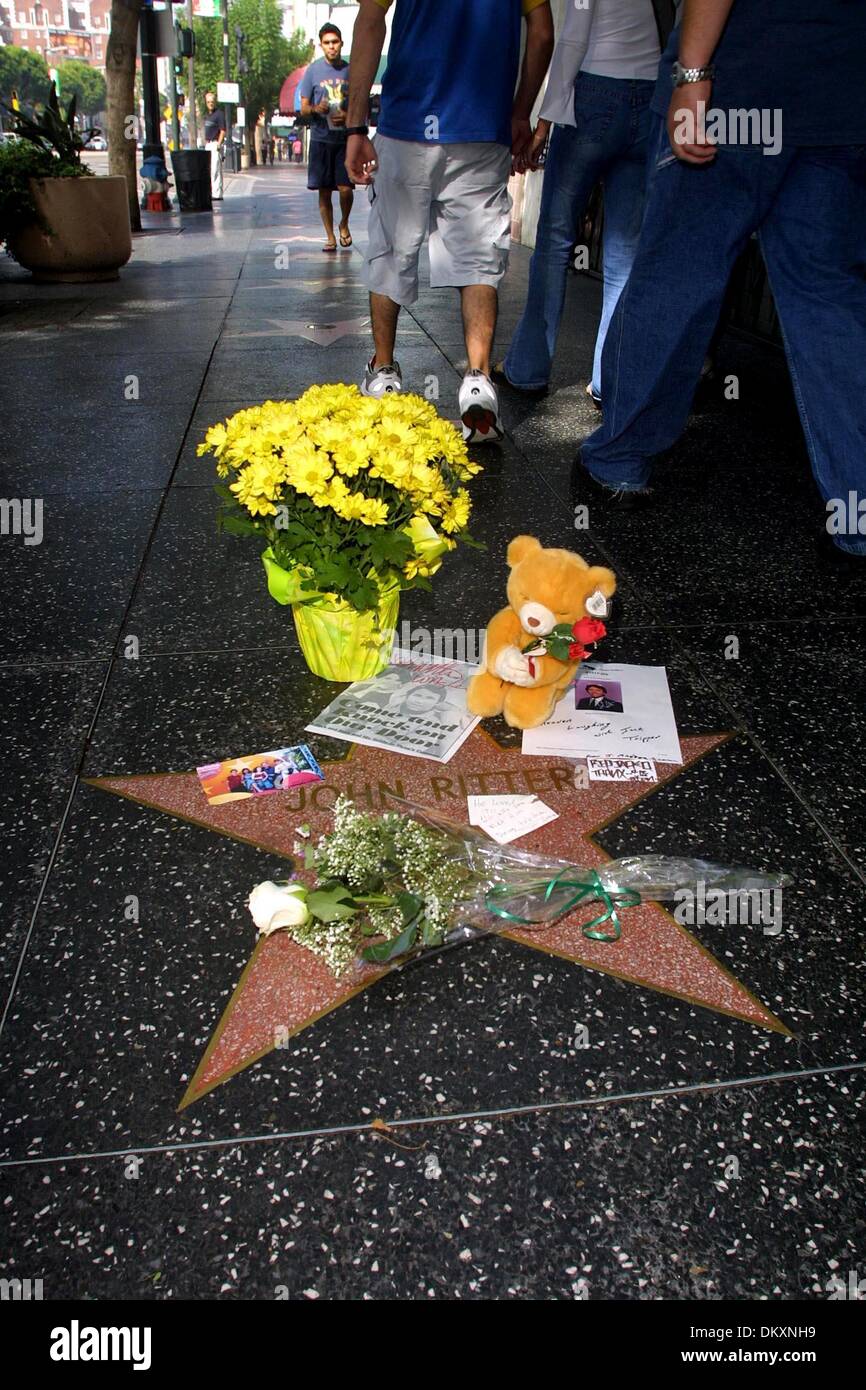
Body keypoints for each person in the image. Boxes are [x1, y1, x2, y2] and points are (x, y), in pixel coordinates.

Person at [575, 0, 866, 565]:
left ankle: (622, 455)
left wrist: (692, 73)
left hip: (740, 83)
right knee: (828, 296)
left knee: (677, 275)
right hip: (840, 92)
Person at [345, 0, 555, 442]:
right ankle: (478, 381)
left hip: (407, 123)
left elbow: (369, 21)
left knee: (391, 251)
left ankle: (383, 372)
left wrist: (355, 127)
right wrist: (521, 111)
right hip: (481, 127)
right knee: (478, 261)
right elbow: (541, 33)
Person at [499, 0, 676, 407]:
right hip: (650, 96)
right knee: (623, 256)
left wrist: (544, 121)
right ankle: (608, 380)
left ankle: (528, 369)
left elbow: (574, 37)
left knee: (556, 241)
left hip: (594, 95)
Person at [299, 23, 354, 252]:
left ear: (341, 42)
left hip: (344, 140)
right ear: (321, 45)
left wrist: (348, 116)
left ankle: (344, 224)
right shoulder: (313, 71)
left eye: (335, 41)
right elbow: (303, 108)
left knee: (345, 189)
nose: (332, 46)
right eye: (327, 43)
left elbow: (361, 103)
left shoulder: (351, 70)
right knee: (323, 191)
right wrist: (315, 109)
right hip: (321, 139)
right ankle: (330, 236)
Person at [203, 91, 225, 201]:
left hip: (215, 144)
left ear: (215, 102)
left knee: (215, 170)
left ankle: (217, 194)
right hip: (208, 144)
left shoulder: (219, 114)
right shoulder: (207, 115)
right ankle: (212, 192)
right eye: (208, 102)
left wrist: (219, 144)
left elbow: (222, 130)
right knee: (210, 170)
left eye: (212, 102)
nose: (210, 103)